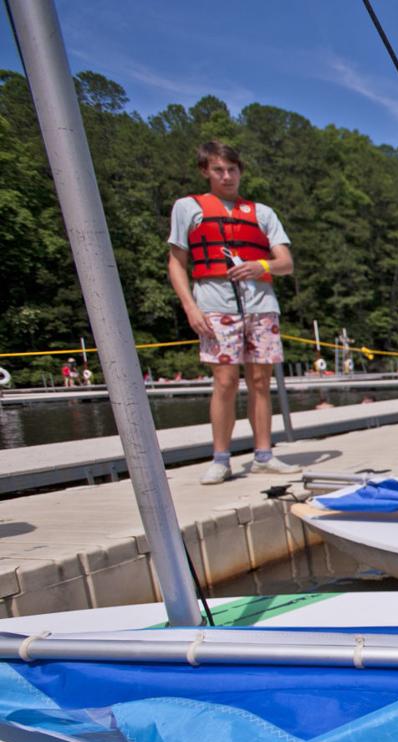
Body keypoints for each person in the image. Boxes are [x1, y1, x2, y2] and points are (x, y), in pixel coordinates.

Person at [167, 140, 300, 485]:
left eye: (232, 169)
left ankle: (264, 455)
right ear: (205, 172)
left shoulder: (262, 212)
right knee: (225, 382)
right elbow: (176, 262)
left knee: (260, 381)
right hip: (215, 305)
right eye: (219, 170)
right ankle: (221, 458)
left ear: (240, 171)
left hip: (261, 307)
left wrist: (259, 265)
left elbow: (285, 263)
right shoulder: (188, 208)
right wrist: (190, 307)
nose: (227, 176)